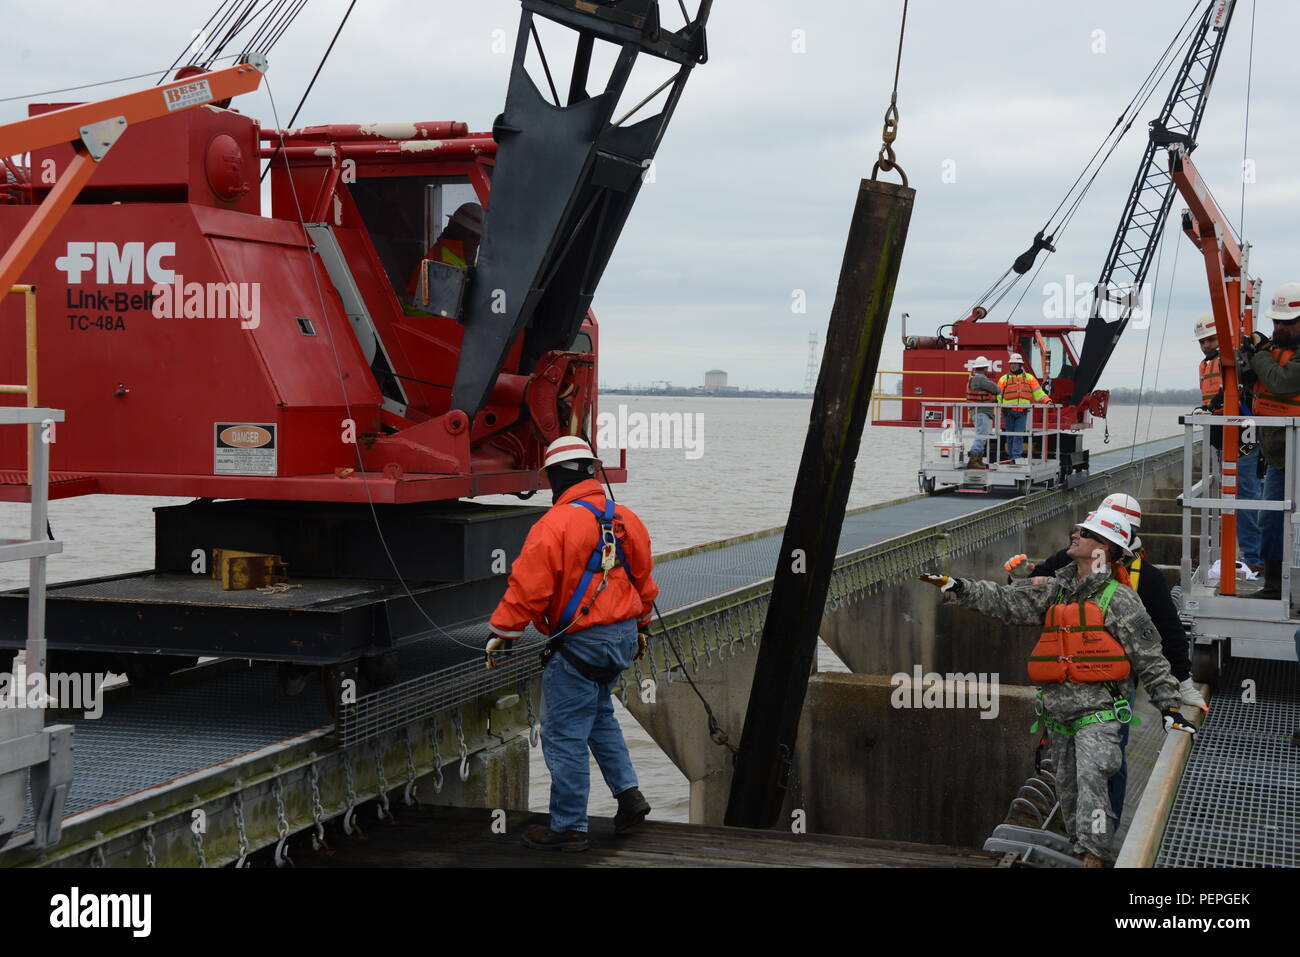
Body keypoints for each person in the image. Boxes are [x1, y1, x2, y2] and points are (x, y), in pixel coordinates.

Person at [921, 509, 1193, 866]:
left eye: (1085, 533)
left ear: (1104, 548)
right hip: (1059, 716)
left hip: (1100, 713)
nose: (1075, 535)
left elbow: (1150, 657)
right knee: (1069, 791)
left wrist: (1170, 708)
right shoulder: (1055, 590)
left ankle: (1095, 855)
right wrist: (959, 587)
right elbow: (1007, 600)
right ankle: (1080, 848)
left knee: (1094, 780)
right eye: (1077, 531)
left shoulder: (1121, 599)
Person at [486, 435, 658, 851]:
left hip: (581, 646)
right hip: (621, 638)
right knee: (599, 714)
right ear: (591, 471)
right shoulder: (627, 519)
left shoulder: (554, 525)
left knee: (564, 735)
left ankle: (569, 828)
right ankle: (630, 796)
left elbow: (528, 588)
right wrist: (642, 627)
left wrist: (503, 633)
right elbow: (644, 581)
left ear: (555, 476)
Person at [1029, 493, 1206, 821]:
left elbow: (1165, 635)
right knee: (1080, 761)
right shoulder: (1075, 561)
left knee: (1109, 758)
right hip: (1072, 682)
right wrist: (1020, 578)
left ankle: (1103, 827)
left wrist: (1181, 682)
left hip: (1112, 686)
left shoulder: (1144, 577)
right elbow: (1037, 583)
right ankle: (1084, 825)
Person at [1240, 282, 1300, 600]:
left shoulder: (1279, 358)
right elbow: (1261, 385)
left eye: (1286, 322)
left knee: (1293, 522)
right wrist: (1249, 366)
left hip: (1297, 454)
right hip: (1279, 456)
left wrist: (1259, 356)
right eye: (1276, 321)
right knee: (1270, 519)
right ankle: (1274, 584)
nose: (1279, 327)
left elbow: (1281, 382)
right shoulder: (1276, 353)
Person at [1196, 312, 1263, 573]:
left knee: (1246, 493)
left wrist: (1210, 408)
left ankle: (1254, 558)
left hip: (1243, 435)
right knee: (1235, 494)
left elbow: (1231, 392)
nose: (1206, 345)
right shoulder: (1206, 365)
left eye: (1211, 340)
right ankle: (1249, 555)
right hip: (1224, 436)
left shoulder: (1232, 362)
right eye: (1202, 341)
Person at [997, 353, 1048, 462]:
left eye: (1015, 363)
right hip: (1008, 412)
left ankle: (1016, 457)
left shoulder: (1029, 378)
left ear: (1020, 365)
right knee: (1010, 435)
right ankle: (1011, 457)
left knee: (1019, 435)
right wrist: (996, 410)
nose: (1013, 365)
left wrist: (1047, 400)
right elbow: (998, 396)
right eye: (1011, 363)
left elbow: (1038, 392)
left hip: (1022, 413)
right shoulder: (1004, 379)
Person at [965, 356, 1000, 470]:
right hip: (981, 411)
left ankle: (978, 460)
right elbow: (997, 389)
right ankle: (974, 459)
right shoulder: (980, 379)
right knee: (981, 435)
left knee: (982, 435)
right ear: (985, 368)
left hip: (980, 411)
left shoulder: (975, 378)